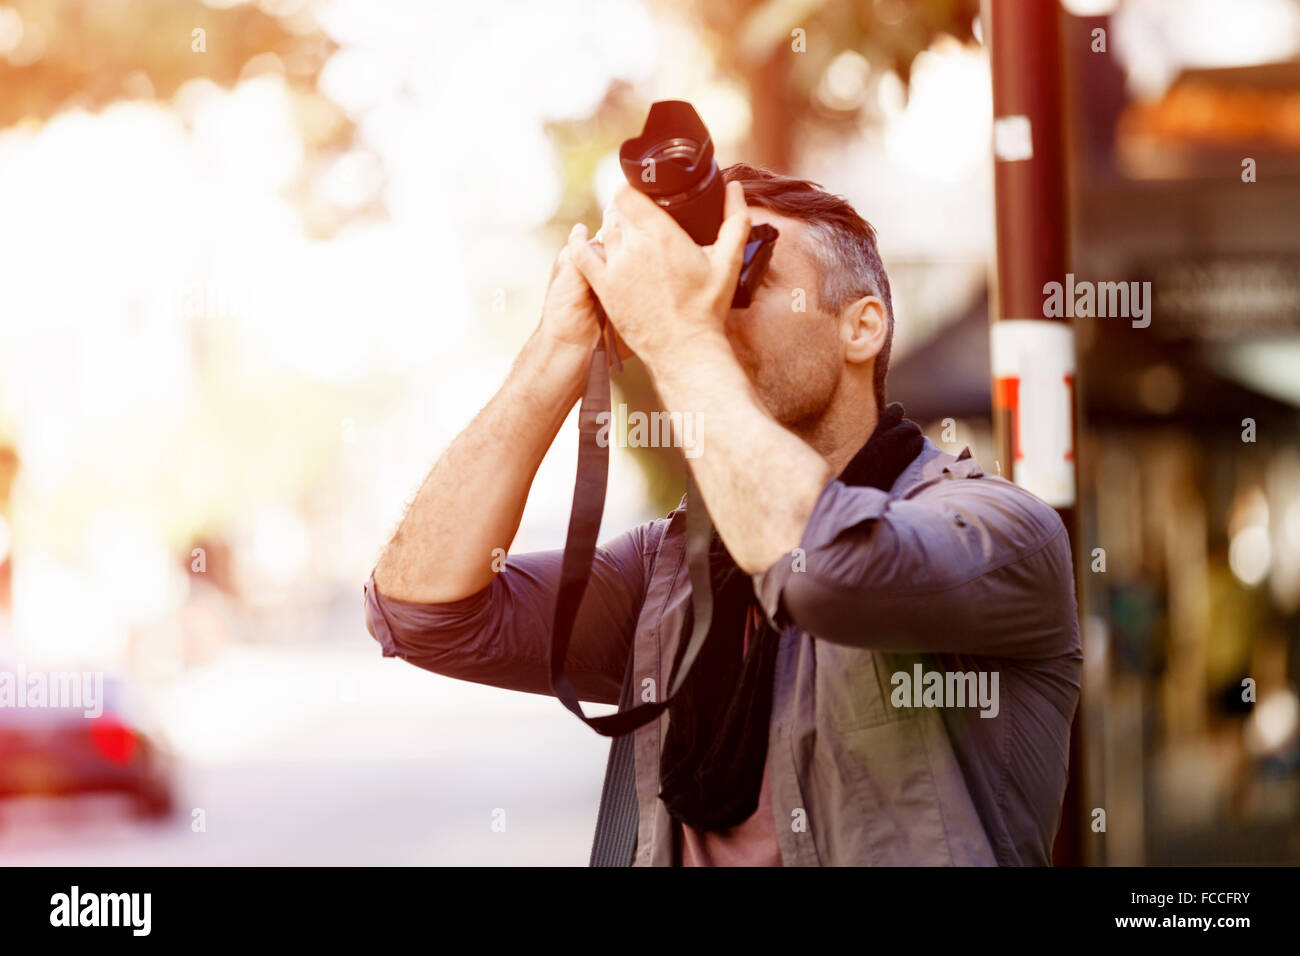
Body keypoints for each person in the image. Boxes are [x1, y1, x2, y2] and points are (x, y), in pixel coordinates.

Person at [363, 163, 1082, 866]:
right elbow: (421, 611)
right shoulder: (670, 575)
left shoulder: (999, 532)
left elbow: (825, 569)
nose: (710, 307)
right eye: (698, 280)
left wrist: (679, 336)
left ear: (860, 328)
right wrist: (558, 346)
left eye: (747, 275)